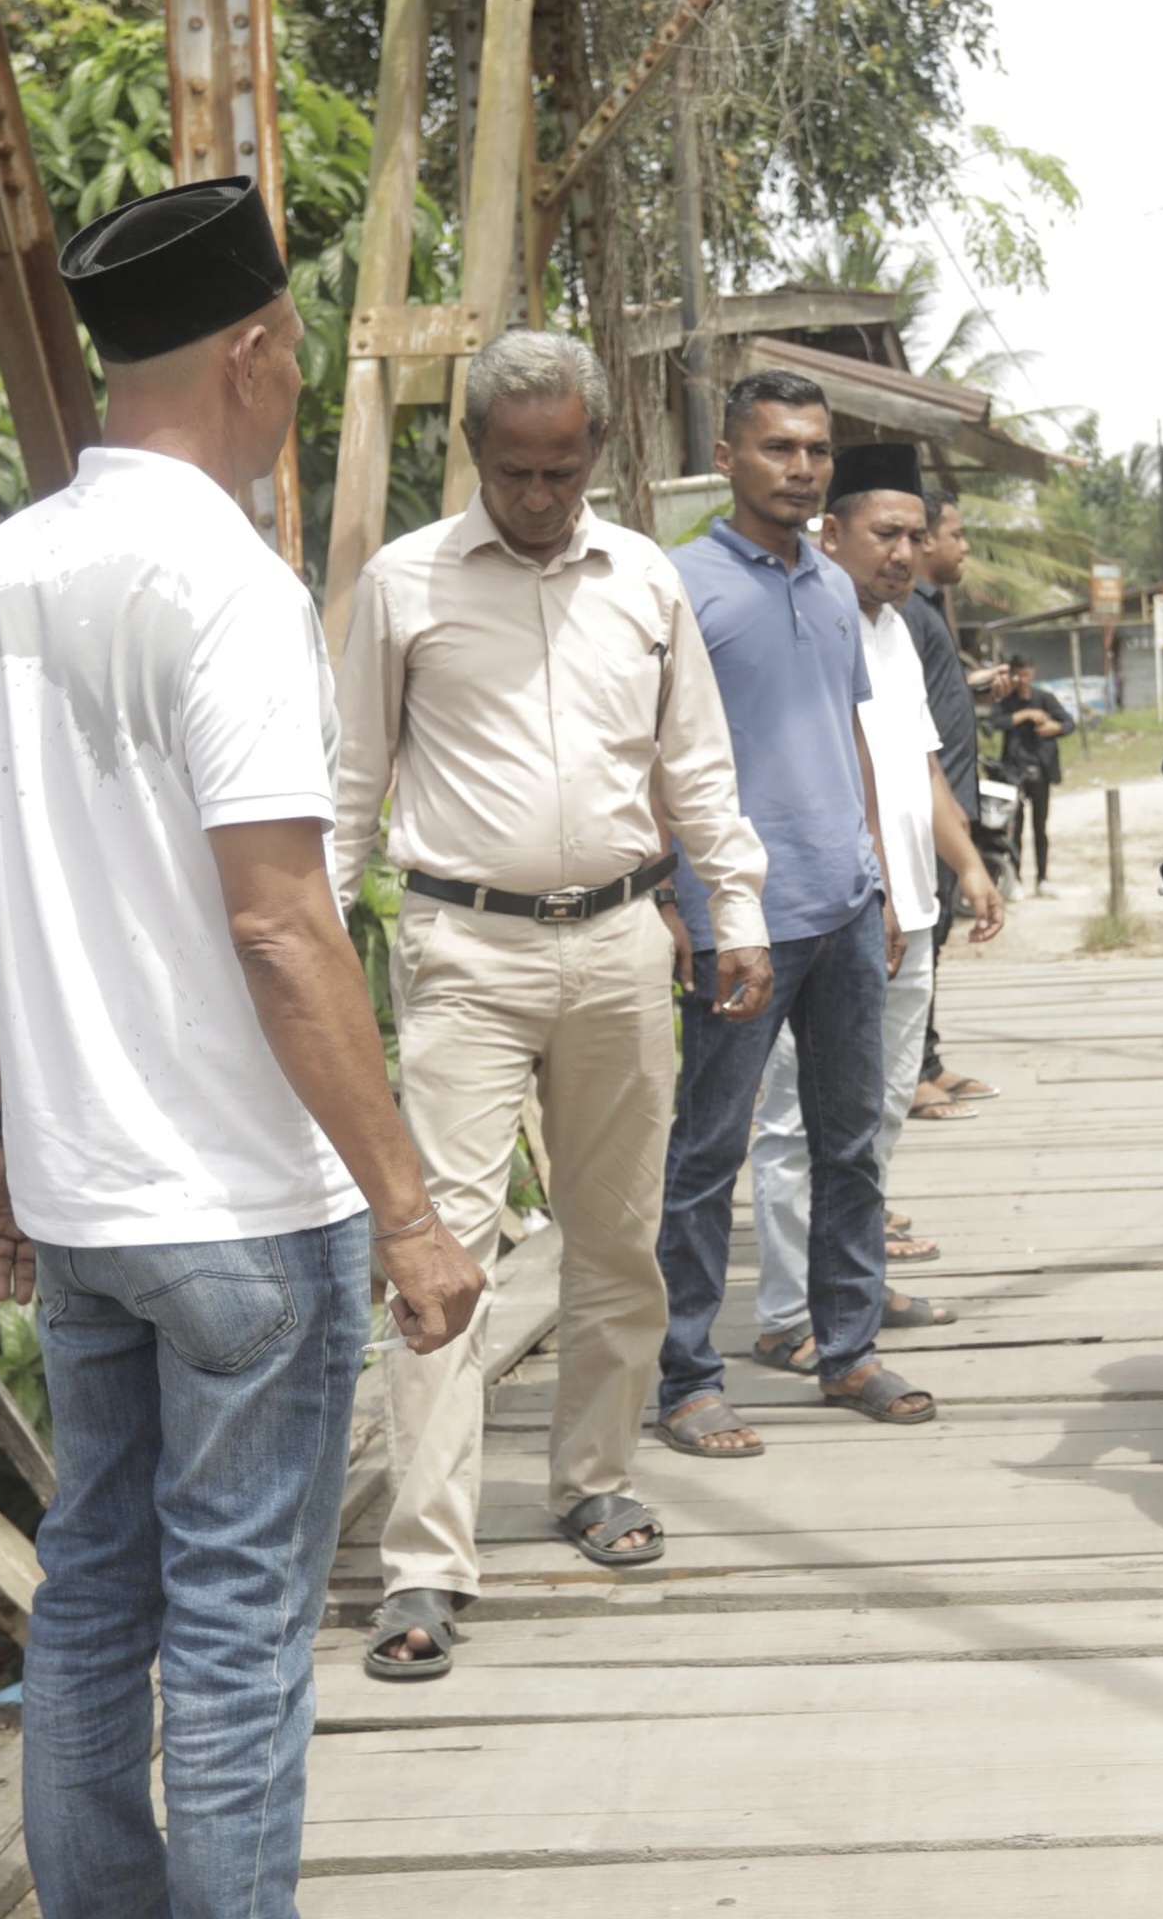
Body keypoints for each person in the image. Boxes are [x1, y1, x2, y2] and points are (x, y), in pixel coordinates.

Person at [0, 176, 483, 1919]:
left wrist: (3, 1128)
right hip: (245, 1204)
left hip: (86, 1200)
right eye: (295, 348)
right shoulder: (227, 586)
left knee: (92, 1592)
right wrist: (405, 1204)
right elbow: (278, 923)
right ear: (251, 350)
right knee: (240, 1629)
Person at [327, 328, 773, 1681]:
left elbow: (695, 760)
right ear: (475, 457)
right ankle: (424, 1562)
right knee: (440, 1255)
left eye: (564, 469)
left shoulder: (642, 577)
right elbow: (351, 782)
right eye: (517, 472)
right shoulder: (403, 585)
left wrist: (733, 905)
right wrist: (314, 941)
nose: (540, 496)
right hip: (466, 953)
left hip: (626, 943)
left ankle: (592, 1476)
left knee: (619, 1234)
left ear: (595, 455)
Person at [655, 368, 935, 1454]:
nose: (801, 467)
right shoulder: (676, 585)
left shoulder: (830, 583)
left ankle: (847, 1345)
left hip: (845, 906)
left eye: (815, 449)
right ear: (727, 456)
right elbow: (648, 752)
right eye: (777, 447)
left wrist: (877, 875)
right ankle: (687, 1374)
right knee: (708, 1152)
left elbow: (853, 732)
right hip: (737, 920)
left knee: (849, 1142)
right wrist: (673, 900)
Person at [737, 447, 1007, 1375]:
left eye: (914, 536)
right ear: (832, 532)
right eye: (884, 534)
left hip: (910, 910)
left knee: (876, 1118)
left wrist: (965, 864)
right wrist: (871, 886)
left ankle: (852, 1285)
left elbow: (921, 763)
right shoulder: (799, 617)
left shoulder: (897, 628)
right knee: (791, 1123)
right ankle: (783, 1312)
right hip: (818, 911)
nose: (903, 551)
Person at [908, 490, 997, 1121]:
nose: (963, 546)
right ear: (925, 540)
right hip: (924, 815)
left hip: (948, 810)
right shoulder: (906, 614)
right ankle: (909, 1070)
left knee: (933, 941)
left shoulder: (922, 611)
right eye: (956, 534)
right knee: (917, 946)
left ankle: (927, 1060)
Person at [994, 655, 1073, 891]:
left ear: (1033, 673)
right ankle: (1015, 879)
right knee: (1014, 828)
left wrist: (1053, 728)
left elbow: (1068, 723)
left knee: (1040, 827)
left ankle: (1042, 878)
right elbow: (993, 723)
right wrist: (1025, 715)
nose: (1023, 680)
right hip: (1013, 773)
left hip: (1041, 770)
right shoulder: (1006, 701)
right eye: (1018, 675)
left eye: (1027, 675)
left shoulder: (1045, 699)